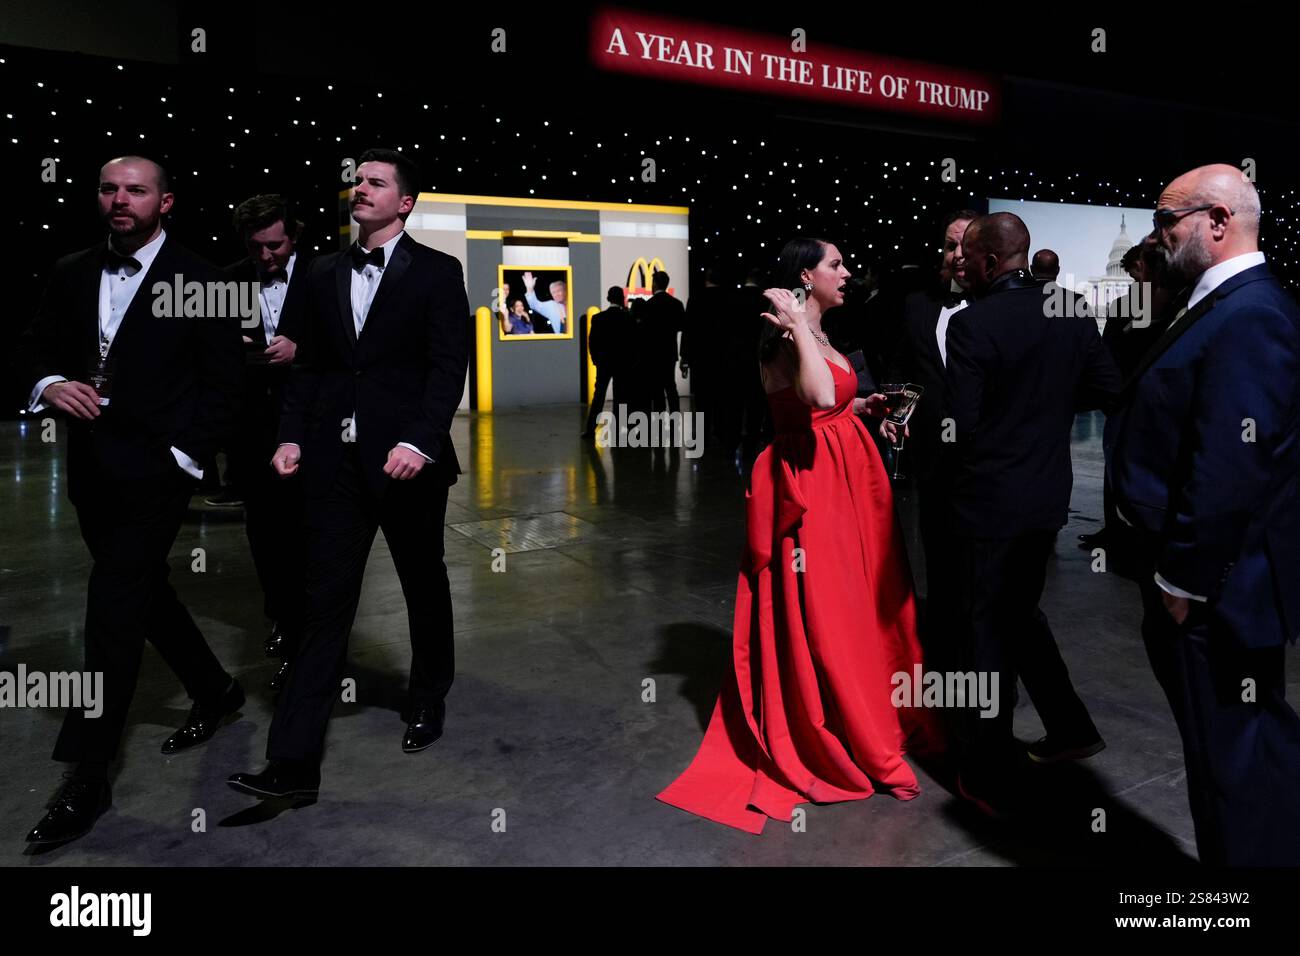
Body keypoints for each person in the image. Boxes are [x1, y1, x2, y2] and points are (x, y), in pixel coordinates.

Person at [657, 238, 934, 833]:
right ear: (805, 276)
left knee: (863, 598)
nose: (848, 271)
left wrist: (863, 406)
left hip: (846, 473)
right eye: (836, 264)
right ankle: (839, 726)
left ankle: (862, 710)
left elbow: (827, 401)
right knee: (830, 605)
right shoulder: (786, 334)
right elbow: (808, 396)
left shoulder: (816, 333)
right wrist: (801, 331)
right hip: (813, 483)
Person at [228, 147, 470, 802]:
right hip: (334, 466)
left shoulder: (438, 273)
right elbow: (311, 371)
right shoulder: (322, 273)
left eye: (376, 181)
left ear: (405, 202)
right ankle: (292, 763)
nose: (359, 187)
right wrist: (288, 438)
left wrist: (421, 443)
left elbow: (449, 365)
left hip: (408, 467)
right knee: (321, 604)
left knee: (424, 582)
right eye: (356, 179)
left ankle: (427, 696)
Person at [16, 155, 245, 845]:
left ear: (165, 202)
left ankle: (87, 772)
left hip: (158, 472)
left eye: (136, 190)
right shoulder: (71, 270)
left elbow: (227, 385)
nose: (121, 200)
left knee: (112, 605)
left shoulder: (206, 280)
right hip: (91, 466)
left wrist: (185, 456)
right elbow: (35, 346)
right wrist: (50, 382)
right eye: (110, 188)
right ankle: (214, 688)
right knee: (145, 592)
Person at [1107, 164, 1300, 865]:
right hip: (1213, 587)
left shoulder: (1250, 312)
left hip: (1217, 594)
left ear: (1217, 221)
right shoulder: (1222, 303)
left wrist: (1182, 582)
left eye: (1168, 220)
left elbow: (1229, 466)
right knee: (1231, 757)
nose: (1158, 236)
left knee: (1237, 766)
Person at [941, 212, 1120, 816]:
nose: (960, 265)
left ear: (992, 261)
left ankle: (986, 770)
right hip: (1047, 498)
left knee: (983, 635)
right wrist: (1046, 404)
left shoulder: (972, 324)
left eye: (967, 255)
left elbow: (961, 427)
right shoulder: (1068, 310)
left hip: (988, 502)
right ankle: (1070, 728)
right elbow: (1106, 388)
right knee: (1019, 615)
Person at [881, 209, 974, 665]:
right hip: (935, 465)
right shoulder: (918, 304)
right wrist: (900, 412)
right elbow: (904, 371)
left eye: (966, 245)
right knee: (940, 570)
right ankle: (943, 670)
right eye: (949, 245)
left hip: (993, 469)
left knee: (993, 582)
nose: (957, 255)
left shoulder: (1011, 307)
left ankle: (995, 674)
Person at [225, 194, 310, 694]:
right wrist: (228, 347)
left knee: (312, 526)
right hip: (252, 426)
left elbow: (352, 341)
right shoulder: (227, 279)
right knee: (264, 529)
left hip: (315, 426)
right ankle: (281, 615)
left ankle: (313, 625)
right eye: (256, 247)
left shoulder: (324, 274)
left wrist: (304, 348)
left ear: (292, 236)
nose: (266, 257)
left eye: (275, 246)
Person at [639, 270, 686, 418]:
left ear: (654, 284)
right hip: (669, 352)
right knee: (671, 387)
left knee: (656, 390)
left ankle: (659, 423)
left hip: (652, 354)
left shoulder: (648, 305)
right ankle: (675, 419)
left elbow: (644, 331)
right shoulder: (677, 304)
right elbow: (682, 327)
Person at [582, 285, 628, 438]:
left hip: (604, 363)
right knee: (620, 397)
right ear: (622, 298)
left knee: (599, 396)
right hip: (622, 363)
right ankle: (619, 431)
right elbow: (633, 342)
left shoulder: (598, 318)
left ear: (608, 298)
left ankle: (590, 430)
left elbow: (592, 342)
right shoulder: (627, 317)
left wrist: (596, 361)